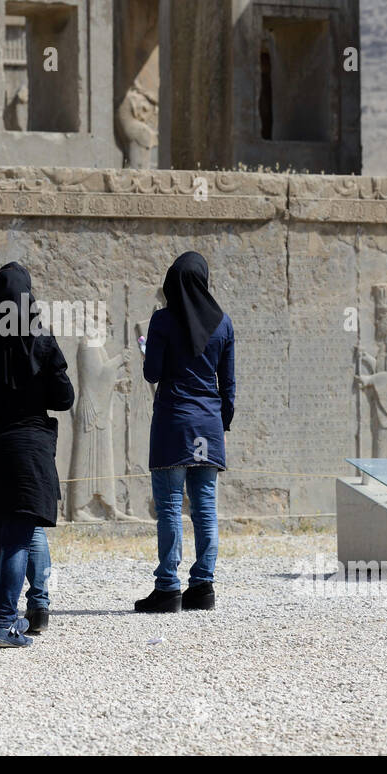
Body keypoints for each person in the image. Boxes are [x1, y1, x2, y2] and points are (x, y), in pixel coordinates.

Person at [0, 263, 74, 646]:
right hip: (29, 450)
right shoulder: (42, 340)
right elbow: (64, 397)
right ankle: (5, 623)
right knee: (18, 538)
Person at [134, 251, 235, 613]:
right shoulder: (223, 324)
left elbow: (153, 373)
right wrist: (223, 424)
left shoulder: (162, 319)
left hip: (174, 420)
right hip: (208, 421)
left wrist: (146, 350)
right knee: (205, 508)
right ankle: (203, 585)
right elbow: (229, 384)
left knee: (171, 507)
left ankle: (167, 587)